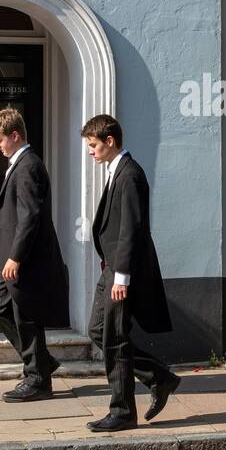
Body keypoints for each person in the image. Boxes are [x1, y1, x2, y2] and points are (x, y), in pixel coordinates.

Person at [80, 114, 180, 432]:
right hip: (110, 267)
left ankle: (123, 411)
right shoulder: (116, 171)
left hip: (122, 272)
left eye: (93, 145)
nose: (90, 151)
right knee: (98, 330)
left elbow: (132, 229)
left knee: (116, 338)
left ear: (110, 141)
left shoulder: (130, 175)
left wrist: (122, 276)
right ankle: (159, 377)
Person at [0, 108, 68, 402]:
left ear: (15, 135)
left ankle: (37, 379)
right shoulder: (18, 164)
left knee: (26, 315)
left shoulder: (29, 165)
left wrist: (16, 257)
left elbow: (30, 216)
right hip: (6, 252)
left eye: (0, 140)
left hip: (23, 256)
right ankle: (41, 361)